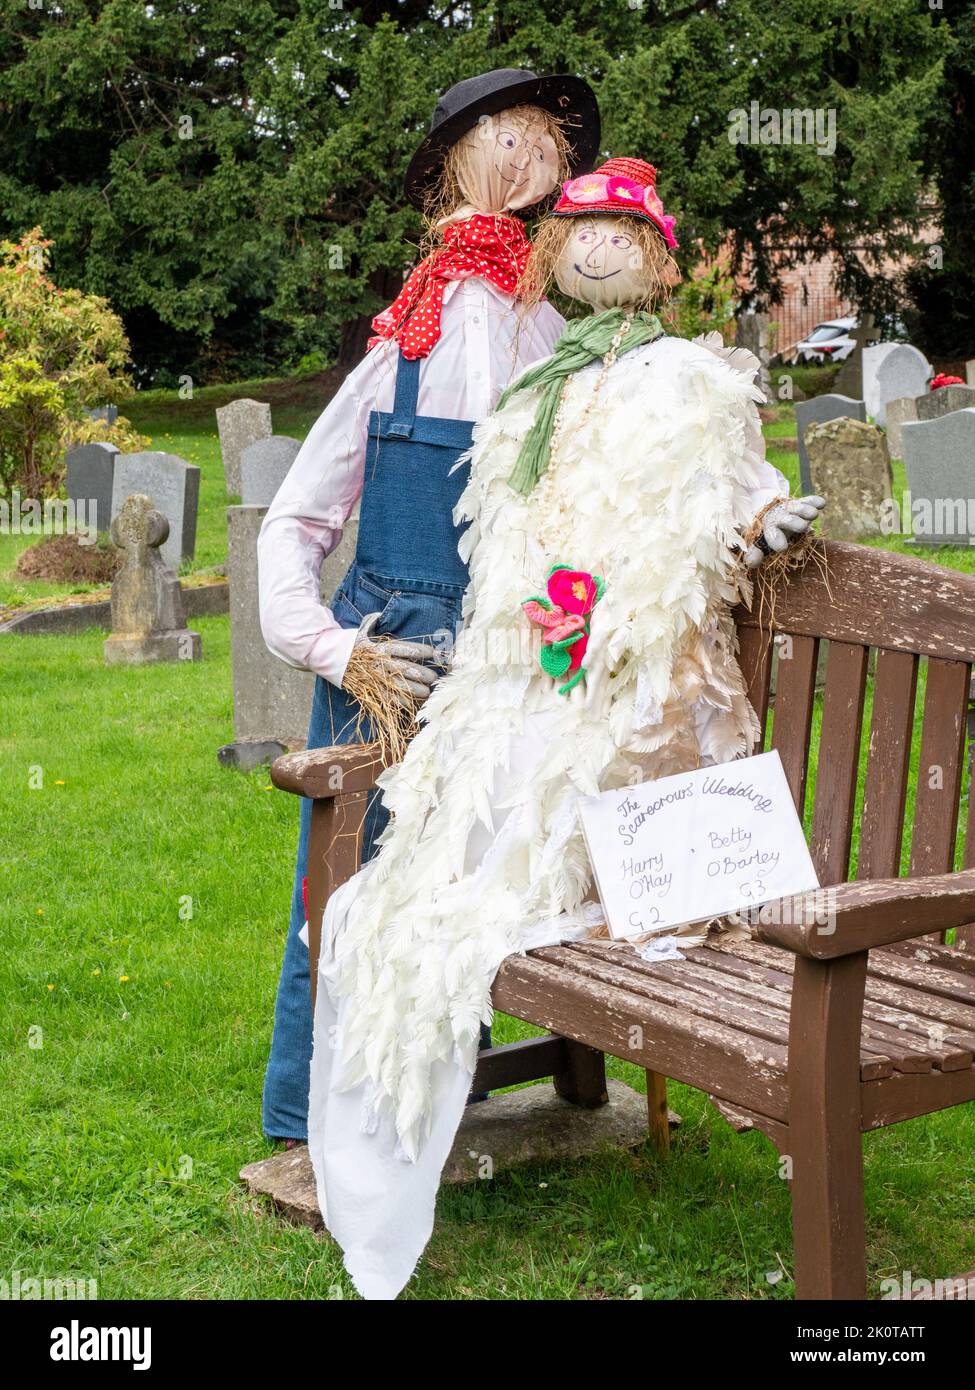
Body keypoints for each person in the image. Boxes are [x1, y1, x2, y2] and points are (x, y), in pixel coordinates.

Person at [304, 156, 826, 1299]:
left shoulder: (689, 375)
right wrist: (538, 609)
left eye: (618, 234)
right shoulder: (540, 389)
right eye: (577, 232)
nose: (593, 249)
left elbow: (714, 479)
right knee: (433, 860)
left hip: (644, 657)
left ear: (655, 259)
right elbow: (521, 516)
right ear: (559, 250)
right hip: (556, 630)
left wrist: (758, 513)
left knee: (611, 740)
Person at [257, 68, 601, 1144]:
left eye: (549, 143)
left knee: (501, 871)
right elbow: (295, 524)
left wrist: (569, 654)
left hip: (514, 660)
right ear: (461, 156)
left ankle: (447, 1092)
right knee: (352, 888)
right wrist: (334, 649)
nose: (534, 156)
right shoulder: (409, 337)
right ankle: (313, 1115)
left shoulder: (556, 341)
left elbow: (583, 515)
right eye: (512, 136)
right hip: (393, 659)